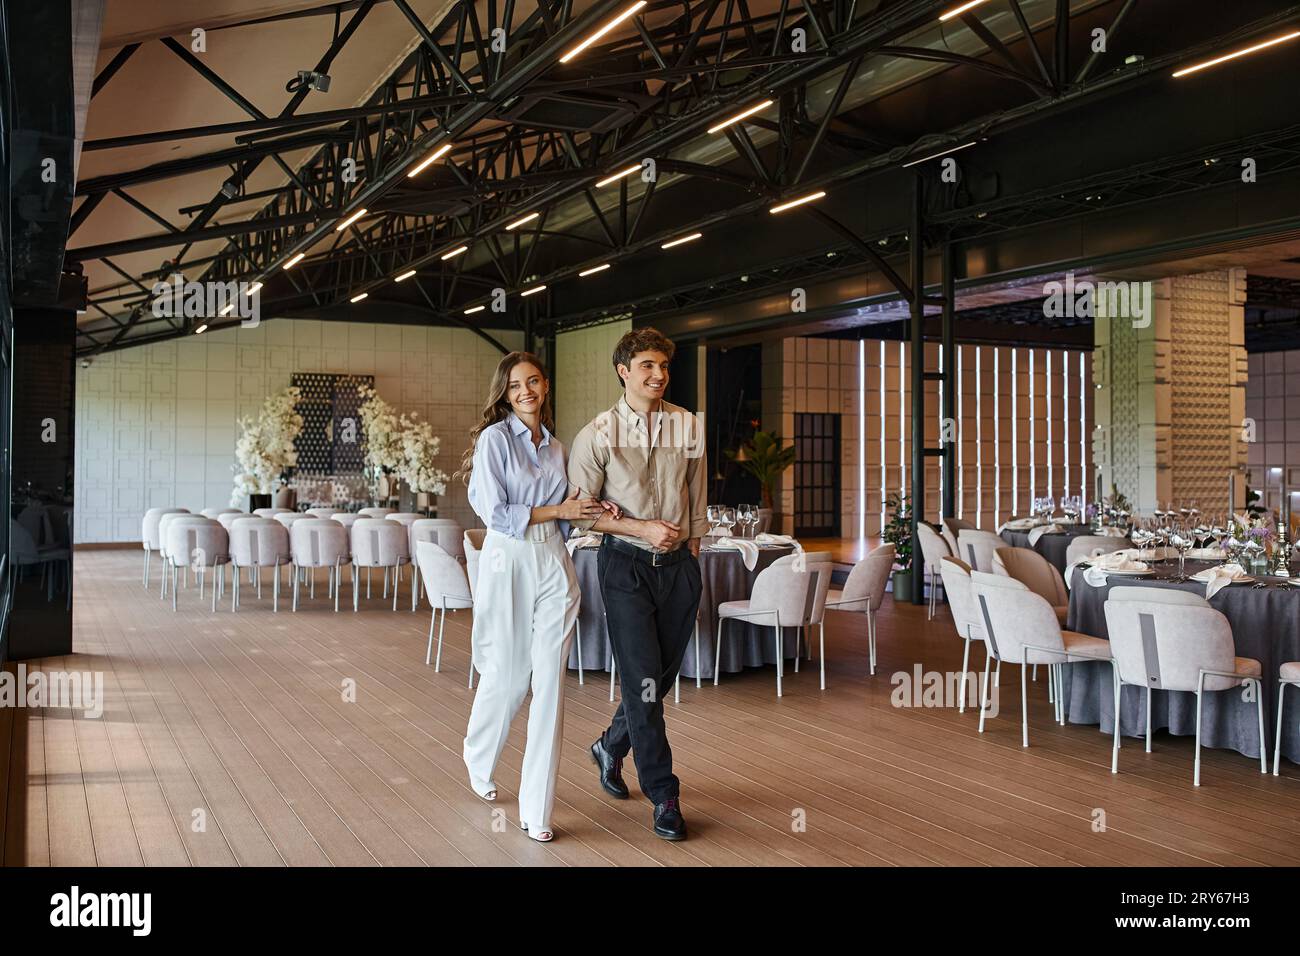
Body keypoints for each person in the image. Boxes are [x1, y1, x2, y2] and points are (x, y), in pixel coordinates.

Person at [458, 351, 611, 843]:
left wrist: (587, 507)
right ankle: (478, 757)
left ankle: (537, 809)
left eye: (534, 381)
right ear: (505, 392)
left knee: (550, 684)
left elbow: (565, 515)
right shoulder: (494, 440)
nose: (526, 390)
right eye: (516, 384)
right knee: (507, 677)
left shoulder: (558, 448)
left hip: (554, 563)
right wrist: (557, 507)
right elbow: (495, 512)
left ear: (545, 387)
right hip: (508, 560)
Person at [567, 327, 708, 840]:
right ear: (624, 371)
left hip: (679, 572)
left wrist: (692, 553)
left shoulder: (688, 425)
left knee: (659, 679)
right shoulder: (597, 434)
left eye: (664, 366)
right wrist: (641, 528)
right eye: (647, 365)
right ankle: (664, 793)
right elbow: (581, 515)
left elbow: (696, 493)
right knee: (643, 685)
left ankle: (609, 744)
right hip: (624, 568)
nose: (659, 375)